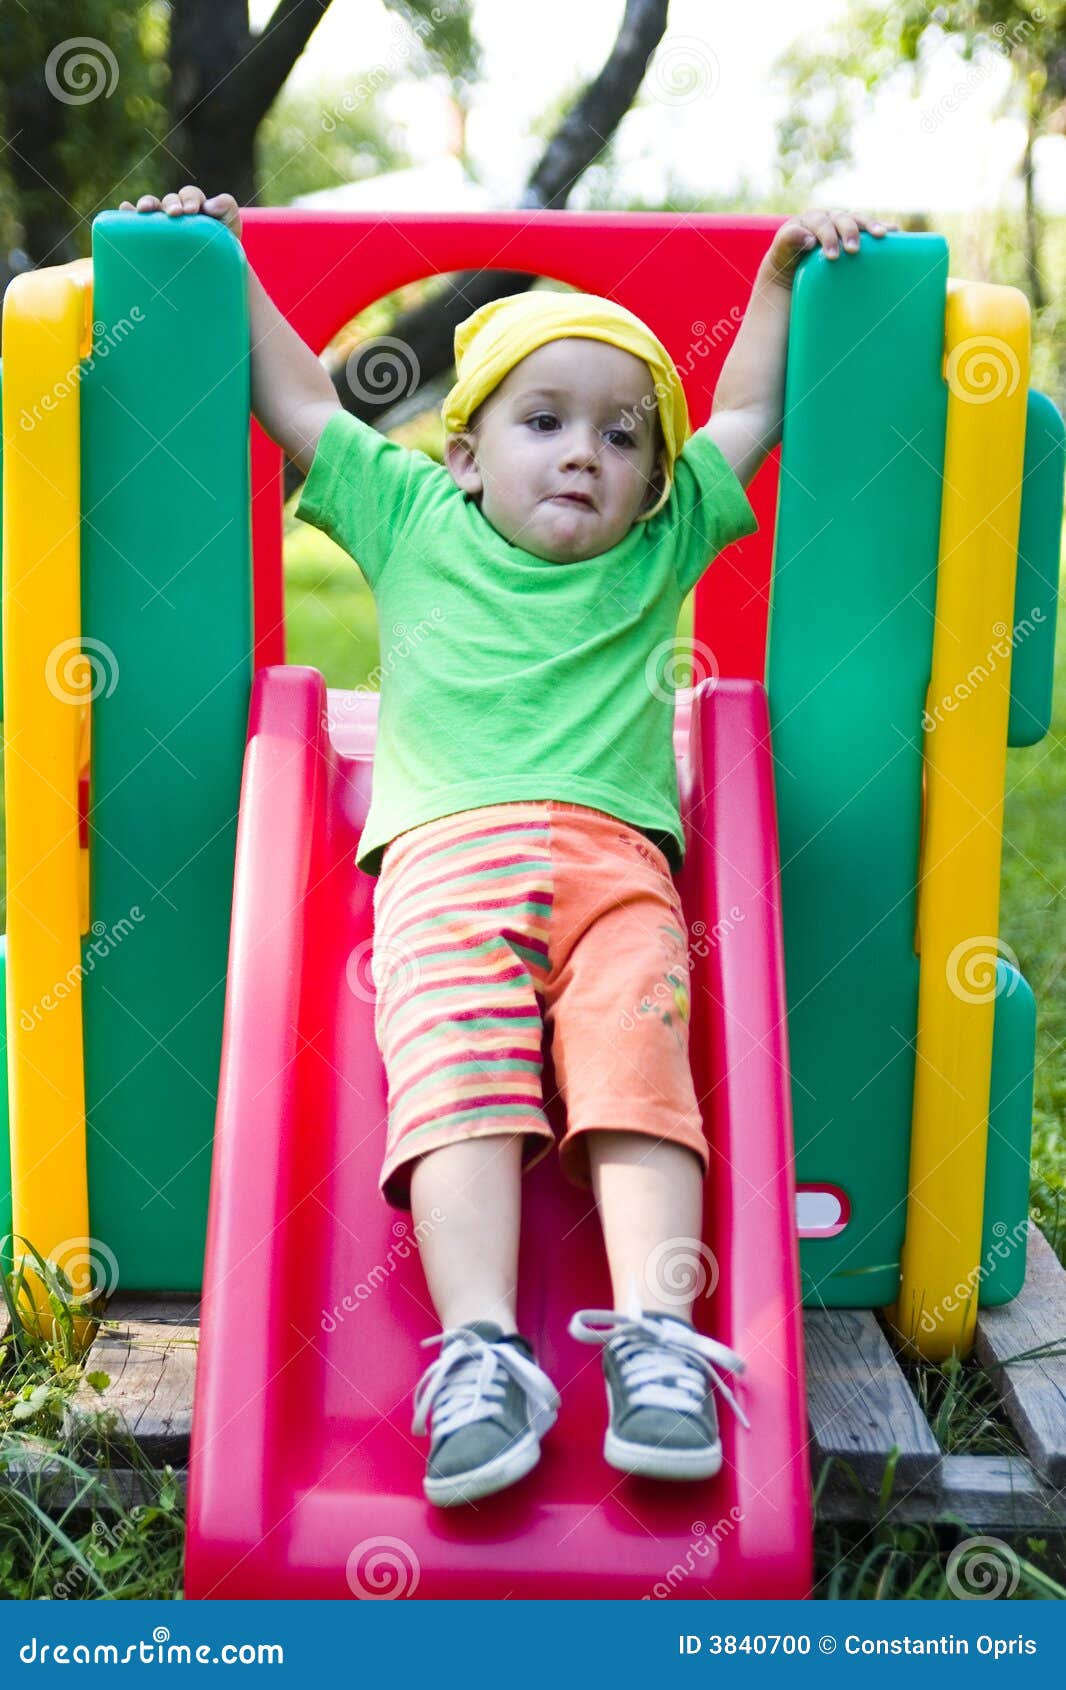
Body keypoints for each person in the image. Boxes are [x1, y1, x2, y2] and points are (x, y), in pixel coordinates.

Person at [123, 188, 894, 1510]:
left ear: (654, 472)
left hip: (621, 882)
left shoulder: (659, 543)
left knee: (640, 1076)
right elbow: (302, 403)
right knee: (458, 1085)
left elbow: (749, 415)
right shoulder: (409, 516)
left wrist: (776, 279)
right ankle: (480, 1351)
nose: (583, 453)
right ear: (467, 451)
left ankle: (658, 1341)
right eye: (543, 423)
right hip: (447, 873)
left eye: (618, 431)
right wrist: (218, 257)